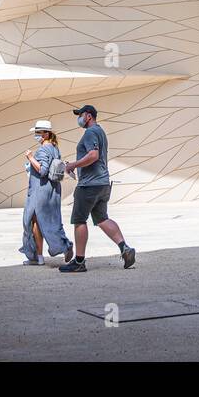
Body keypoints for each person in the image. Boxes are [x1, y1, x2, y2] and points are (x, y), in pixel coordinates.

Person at [59, 105, 136, 272]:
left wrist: (73, 164)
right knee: (102, 219)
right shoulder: (100, 131)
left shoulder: (90, 132)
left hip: (89, 185)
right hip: (102, 183)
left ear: (88, 116)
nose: (78, 118)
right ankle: (125, 248)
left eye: (80, 115)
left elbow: (93, 155)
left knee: (79, 220)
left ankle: (79, 262)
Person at [19, 120, 74, 266]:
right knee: (51, 221)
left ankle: (40, 257)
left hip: (40, 191)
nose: (36, 135)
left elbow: (42, 171)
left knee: (34, 221)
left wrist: (30, 158)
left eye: (38, 133)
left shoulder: (43, 150)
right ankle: (61, 247)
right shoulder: (55, 148)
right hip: (53, 189)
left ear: (45, 134)